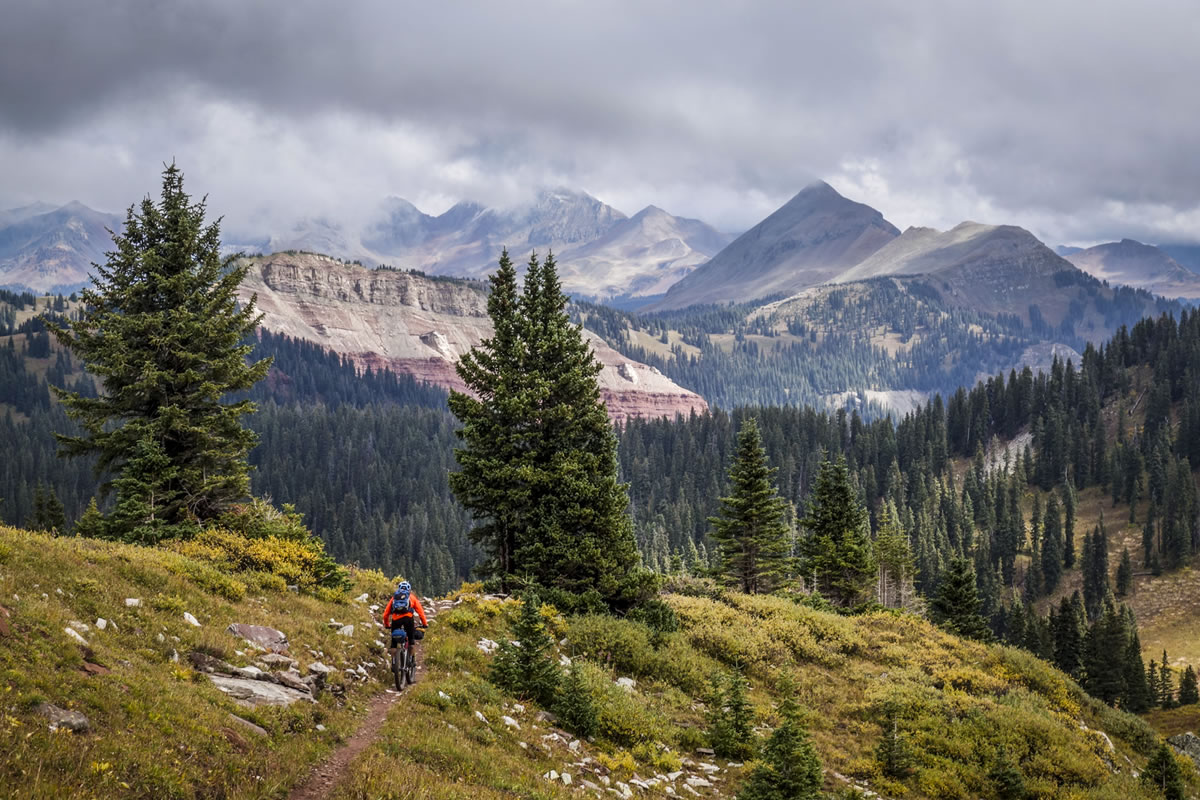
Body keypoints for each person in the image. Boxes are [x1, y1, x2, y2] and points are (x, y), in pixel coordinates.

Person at [382, 581, 428, 662]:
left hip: (396, 620)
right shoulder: (412, 597)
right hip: (408, 619)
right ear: (409, 589)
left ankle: (393, 662)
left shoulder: (394, 598)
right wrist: (424, 623)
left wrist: (387, 624)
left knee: (394, 643)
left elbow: (386, 614)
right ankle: (410, 660)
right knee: (411, 641)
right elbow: (421, 612)